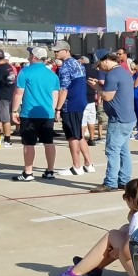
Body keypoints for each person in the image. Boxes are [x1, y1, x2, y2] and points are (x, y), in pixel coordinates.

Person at [48, 178, 138, 276]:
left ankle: (74, 274)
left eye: (126, 199)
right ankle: (95, 267)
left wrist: (119, 251)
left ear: (131, 200)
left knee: (113, 235)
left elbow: (127, 252)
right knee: (125, 229)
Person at [87, 51, 135, 193]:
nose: (99, 68)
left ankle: (110, 182)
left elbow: (107, 97)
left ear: (106, 60)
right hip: (128, 118)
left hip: (118, 119)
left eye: (99, 64)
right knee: (123, 151)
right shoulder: (124, 72)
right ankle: (124, 180)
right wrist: (100, 86)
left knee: (112, 150)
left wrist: (96, 87)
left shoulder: (112, 75)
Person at [10, 46, 61, 181]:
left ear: (34, 56)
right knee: (48, 142)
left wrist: (14, 110)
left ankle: (28, 172)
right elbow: (55, 95)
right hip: (47, 113)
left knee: (29, 143)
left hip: (29, 113)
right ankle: (50, 170)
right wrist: (54, 110)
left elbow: (18, 93)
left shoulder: (25, 72)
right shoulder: (52, 74)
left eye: (30, 54)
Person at [54, 42, 94, 176]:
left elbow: (64, 89)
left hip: (70, 104)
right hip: (81, 101)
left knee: (72, 136)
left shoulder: (65, 67)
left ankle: (76, 166)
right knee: (78, 134)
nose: (55, 53)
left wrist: (58, 108)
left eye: (57, 51)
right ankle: (88, 164)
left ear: (66, 50)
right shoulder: (78, 64)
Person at [0, 49, 17, 147]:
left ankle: (7, 139)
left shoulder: (1, 69)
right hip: (9, 94)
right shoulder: (9, 67)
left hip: (3, 95)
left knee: (4, 118)